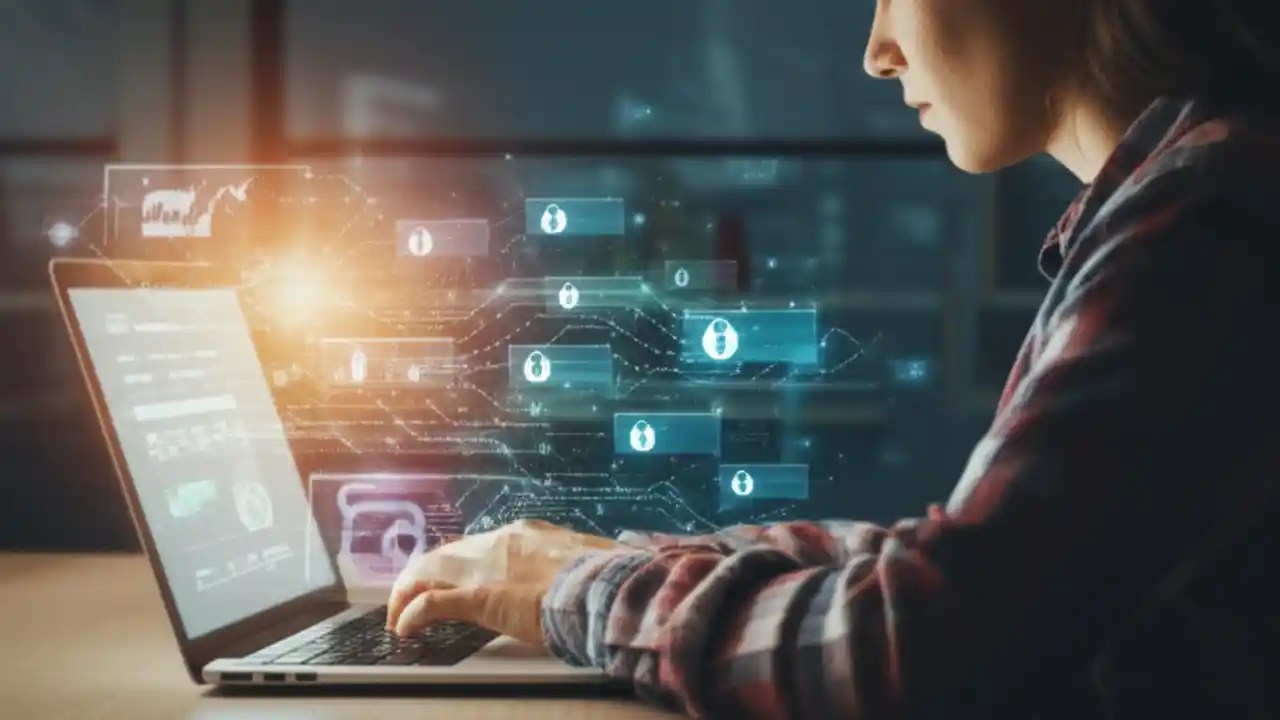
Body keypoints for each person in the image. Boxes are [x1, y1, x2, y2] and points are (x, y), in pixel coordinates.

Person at [387, 1, 1280, 717]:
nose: (877, 52)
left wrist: (574, 592)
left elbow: (921, 644)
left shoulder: (1203, 219)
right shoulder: (1188, 196)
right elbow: (981, 564)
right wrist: (610, 565)